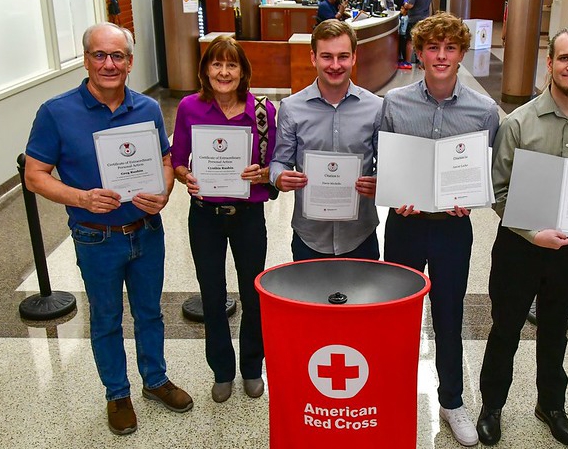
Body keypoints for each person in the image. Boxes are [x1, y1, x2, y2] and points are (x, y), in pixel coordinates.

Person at [23, 22, 192, 435]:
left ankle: (154, 380)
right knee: (106, 319)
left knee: (150, 312)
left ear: (130, 62)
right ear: (86, 59)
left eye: (117, 56)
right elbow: (34, 175)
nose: (109, 64)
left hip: (147, 230)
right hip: (96, 237)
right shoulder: (56, 112)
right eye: (99, 55)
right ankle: (117, 393)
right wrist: (82, 198)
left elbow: (166, 161)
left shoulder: (148, 109)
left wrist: (165, 191)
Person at [476, 26, 568, 447]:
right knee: (505, 327)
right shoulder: (520, 122)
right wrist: (531, 232)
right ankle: (492, 406)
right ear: (550, 63)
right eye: (564, 58)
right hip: (520, 249)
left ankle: (551, 406)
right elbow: (499, 192)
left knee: (556, 327)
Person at [379, 12, 500, 447]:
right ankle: (390, 392)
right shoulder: (394, 104)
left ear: (462, 54)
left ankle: (451, 401)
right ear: (420, 52)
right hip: (405, 226)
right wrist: (395, 195)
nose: (442, 56)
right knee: (397, 313)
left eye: (450, 48)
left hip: (453, 229)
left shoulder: (484, 111)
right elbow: (382, 164)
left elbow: (489, 175)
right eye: (434, 47)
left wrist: (471, 197)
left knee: (449, 314)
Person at [170, 35, 276, 404]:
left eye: (232, 64)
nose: (224, 72)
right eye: (217, 64)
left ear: (243, 71)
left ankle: (251, 367)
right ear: (205, 70)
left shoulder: (262, 112)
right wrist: (187, 176)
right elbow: (179, 159)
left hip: (248, 216)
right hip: (205, 217)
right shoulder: (188, 108)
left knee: (253, 294)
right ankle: (221, 371)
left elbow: (274, 167)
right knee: (212, 295)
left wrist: (261, 174)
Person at [270, 19, 381, 261]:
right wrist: (279, 177)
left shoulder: (376, 107)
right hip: (309, 236)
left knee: (364, 299)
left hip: (360, 235)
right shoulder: (291, 107)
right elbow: (279, 161)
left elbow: (386, 166)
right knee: (310, 299)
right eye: (326, 56)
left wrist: (380, 182)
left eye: (343, 56)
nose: (335, 65)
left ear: (354, 57)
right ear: (313, 58)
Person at [402, 0, 431, 68]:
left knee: (410, 41)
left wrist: (405, 3)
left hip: (414, 19)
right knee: (422, 42)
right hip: (425, 19)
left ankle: (407, 63)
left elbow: (410, 5)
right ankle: (422, 63)